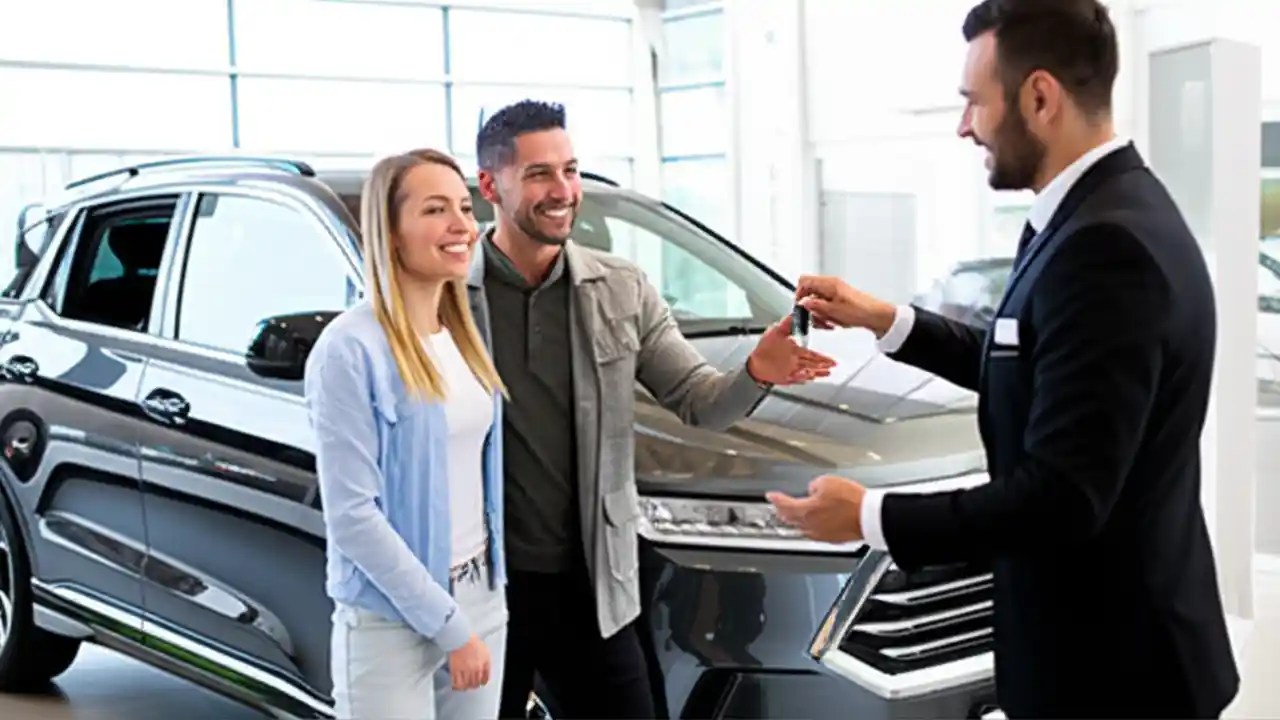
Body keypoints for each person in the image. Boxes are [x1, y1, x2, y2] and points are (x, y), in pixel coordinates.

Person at [767, 1, 1240, 717]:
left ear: (1040, 97)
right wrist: (886, 321)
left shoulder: (1108, 249)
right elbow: (1023, 358)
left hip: (1115, 673)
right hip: (1100, 653)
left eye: (972, 103)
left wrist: (871, 516)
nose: (965, 128)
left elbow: (1060, 500)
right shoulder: (1096, 214)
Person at [464, 99, 836, 719]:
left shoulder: (622, 288)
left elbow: (701, 403)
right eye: (539, 175)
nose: (563, 191)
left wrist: (755, 372)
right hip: (480, 589)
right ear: (489, 185)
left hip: (593, 586)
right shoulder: (445, 293)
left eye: (571, 170)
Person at [305, 149, 509, 720]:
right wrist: (449, 627)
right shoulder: (350, 350)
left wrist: (484, 606)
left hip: (480, 598)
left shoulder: (464, 339)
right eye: (435, 210)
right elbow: (352, 516)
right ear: (390, 233)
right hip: (389, 616)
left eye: (465, 208)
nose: (462, 226)